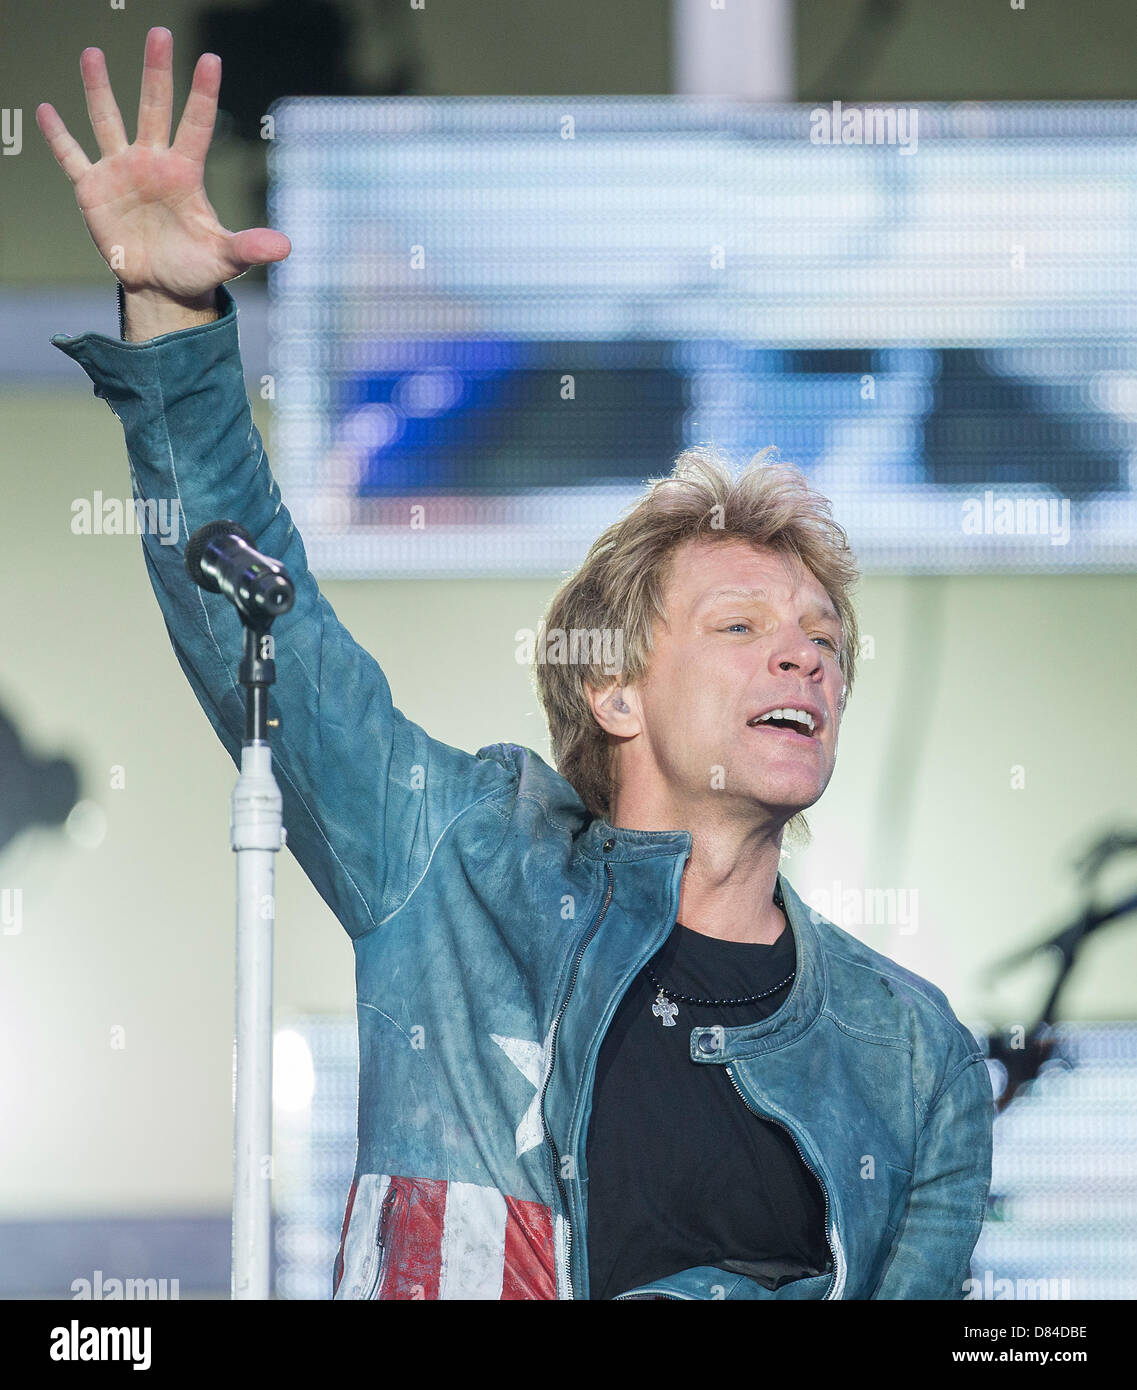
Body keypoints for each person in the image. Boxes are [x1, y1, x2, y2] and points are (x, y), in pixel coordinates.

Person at [38, 27, 994, 1300]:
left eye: (824, 640)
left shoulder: (916, 1053)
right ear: (615, 689)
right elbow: (258, 618)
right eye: (742, 627)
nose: (805, 658)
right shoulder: (458, 863)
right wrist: (172, 323)